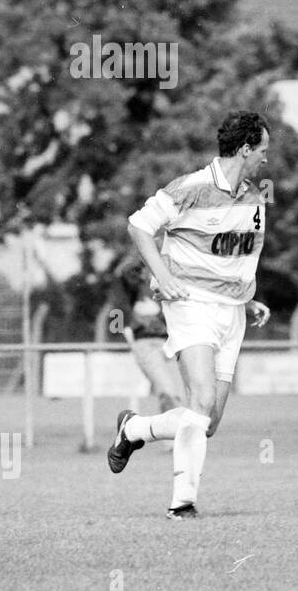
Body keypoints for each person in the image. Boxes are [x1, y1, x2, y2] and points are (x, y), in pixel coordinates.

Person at [107, 111, 274, 519]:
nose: (266, 159)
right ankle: (182, 504)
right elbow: (138, 226)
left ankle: (133, 430)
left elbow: (235, 259)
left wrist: (248, 299)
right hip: (190, 305)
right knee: (199, 400)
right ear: (245, 148)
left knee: (208, 421)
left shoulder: (254, 198)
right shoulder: (190, 188)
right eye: (263, 151)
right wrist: (162, 276)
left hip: (231, 314)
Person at [110, 251, 183, 419]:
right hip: (146, 342)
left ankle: (180, 441)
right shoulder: (127, 276)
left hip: (171, 342)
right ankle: (170, 444)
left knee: (181, 396)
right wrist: (121, 333)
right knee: (168, 393)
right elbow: (117, 307)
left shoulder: (168, 272)